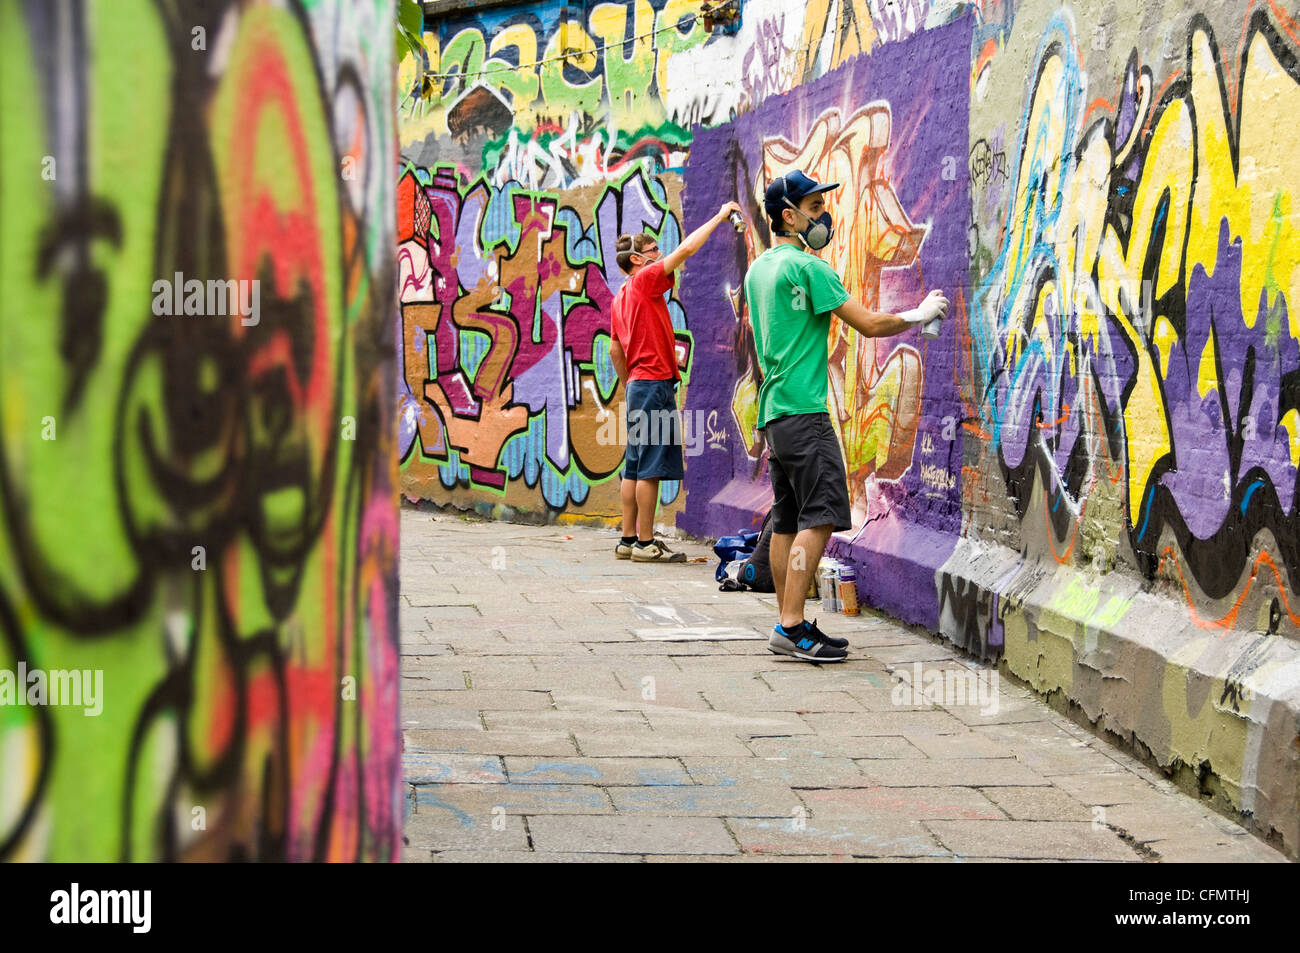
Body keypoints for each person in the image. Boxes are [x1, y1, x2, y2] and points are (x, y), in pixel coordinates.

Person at [745, 170, 948, 661]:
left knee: (788, 518)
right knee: (821, 517)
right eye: (814, 208)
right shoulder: (810, 269)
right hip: (806, 413)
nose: (824, 217)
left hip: (775, 414)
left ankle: (785, 619)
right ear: (787, 216)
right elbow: (870, 324)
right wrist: (919, 314)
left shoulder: (759, 270)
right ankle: (792, 626)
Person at [609, 201, 743, 562]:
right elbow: (686, 250)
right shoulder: (646, 279)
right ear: (637, 259)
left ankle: (627, 539)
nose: (660, 254)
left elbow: (614, 351)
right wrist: (718, 216)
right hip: (653, 384)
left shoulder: (620, 295)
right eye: (653, 250)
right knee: (651, 467)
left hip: (639, 384)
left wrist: (629, 384)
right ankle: (645, 543)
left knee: (635, 464)